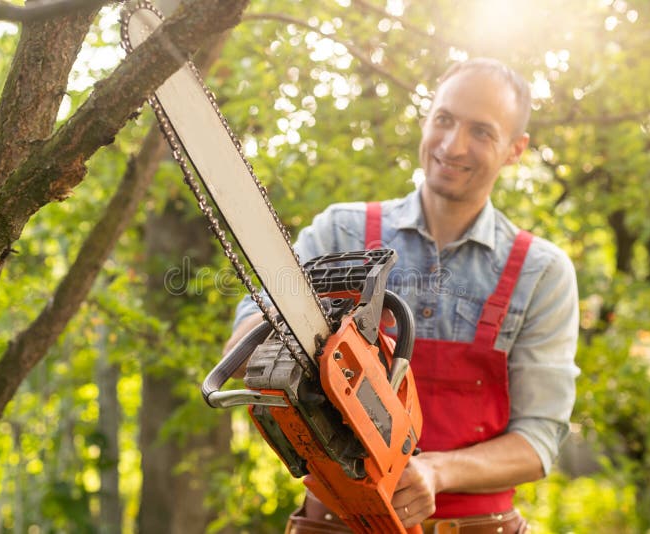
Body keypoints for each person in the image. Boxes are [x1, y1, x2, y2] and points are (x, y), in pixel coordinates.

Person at [227, 57, 579, 534]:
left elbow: (538, 440)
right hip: (336, 524)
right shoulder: (342, 233)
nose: (453, 145)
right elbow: (242, 353)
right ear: (426, 118)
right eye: (445, 120)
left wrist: (437, 471)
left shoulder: (541, 273)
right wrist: (297, 333)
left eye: (482, 132)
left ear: (516, 149)